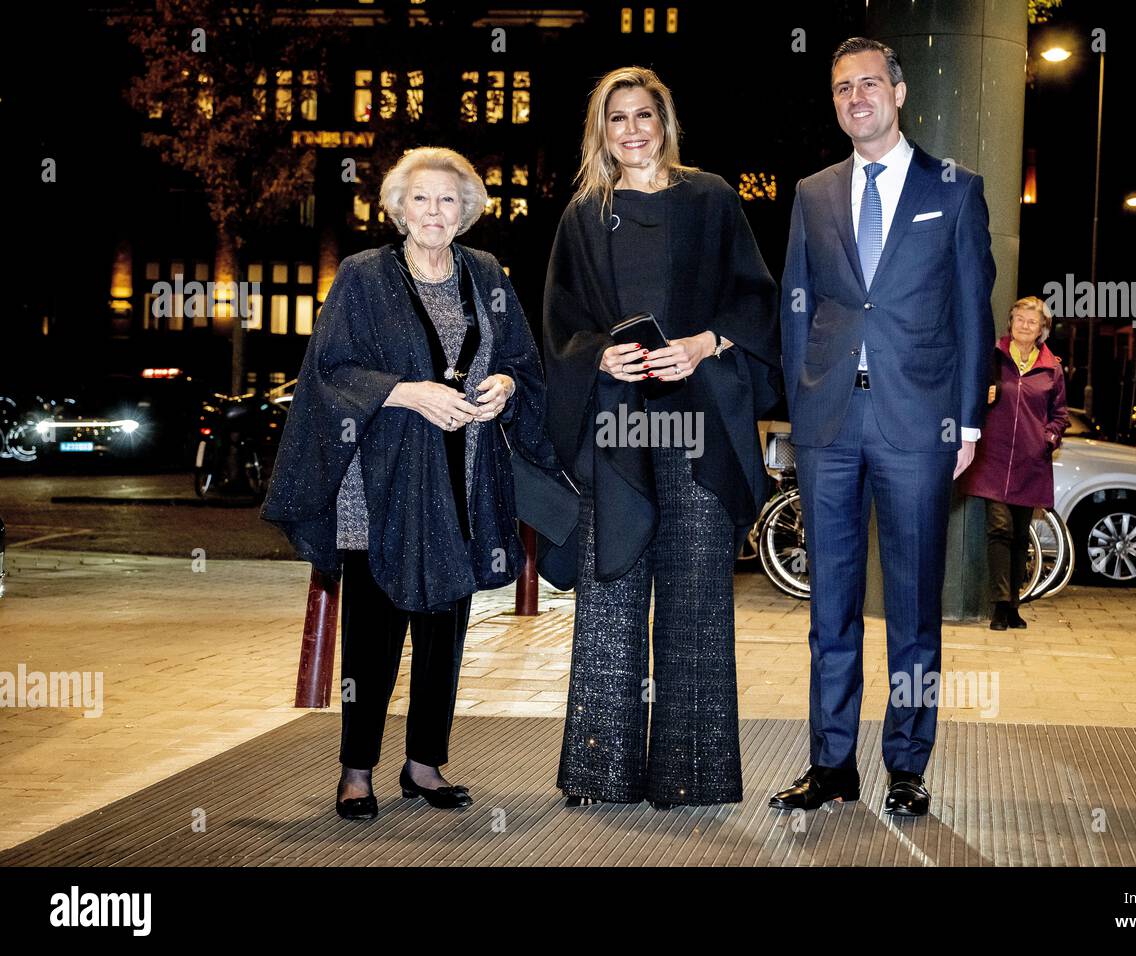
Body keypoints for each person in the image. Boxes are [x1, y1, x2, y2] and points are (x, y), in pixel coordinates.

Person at [262, 147, 558, 819]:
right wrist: (407, 393)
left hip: (463, 482)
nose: (434, 211)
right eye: (420, 199)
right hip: (378, 483)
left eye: (448, 199)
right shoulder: (364, 276)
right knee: (372, 634)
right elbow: (331, 368)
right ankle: (356, 771)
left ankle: (424, 764)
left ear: (467, 210)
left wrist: (506, 387)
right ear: (398, 208)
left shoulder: (486, 274)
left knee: (445, 634)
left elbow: (518, 359)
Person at [543, 66, 781, 809]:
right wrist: (595, 353)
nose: (634, 130)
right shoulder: (585, 214)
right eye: (618, 119)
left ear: (665, 122)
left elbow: (756, 299)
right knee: (610, 592)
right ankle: (599, 770)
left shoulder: (710, 198)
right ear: (601, 131)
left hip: (698, 420)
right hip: (616, 419)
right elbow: (559, 323)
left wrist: (707, 342)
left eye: (645, 115)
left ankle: (692, 772)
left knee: (697, 594)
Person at [770, 37, 994, 818]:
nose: (856, 97)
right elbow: (797, 305)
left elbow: (973, 313)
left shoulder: (956, 191)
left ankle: (907, 762)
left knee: (912, 606)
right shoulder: (813, 191)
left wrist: (968, 420)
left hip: (918, 426)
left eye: (870, 83)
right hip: (831, 424)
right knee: (827, 606)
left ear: (899, 93)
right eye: (841, 88)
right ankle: (831, 764)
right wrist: (801, 410)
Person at [961, 296, 1068, 630]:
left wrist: (1047, 439)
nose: (1024, 325)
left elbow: (1060, 414)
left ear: (1042, 330)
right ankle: (999, 606)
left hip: (1029, 462)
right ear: (1011, 323)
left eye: (1031, 322)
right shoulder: (993, 356)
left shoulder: (1052, 367)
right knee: (999, 528)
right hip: (993, 458)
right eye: (1019, 319)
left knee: (1022, 535)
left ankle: (1014, 605)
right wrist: (982, 397)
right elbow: (967, 395)